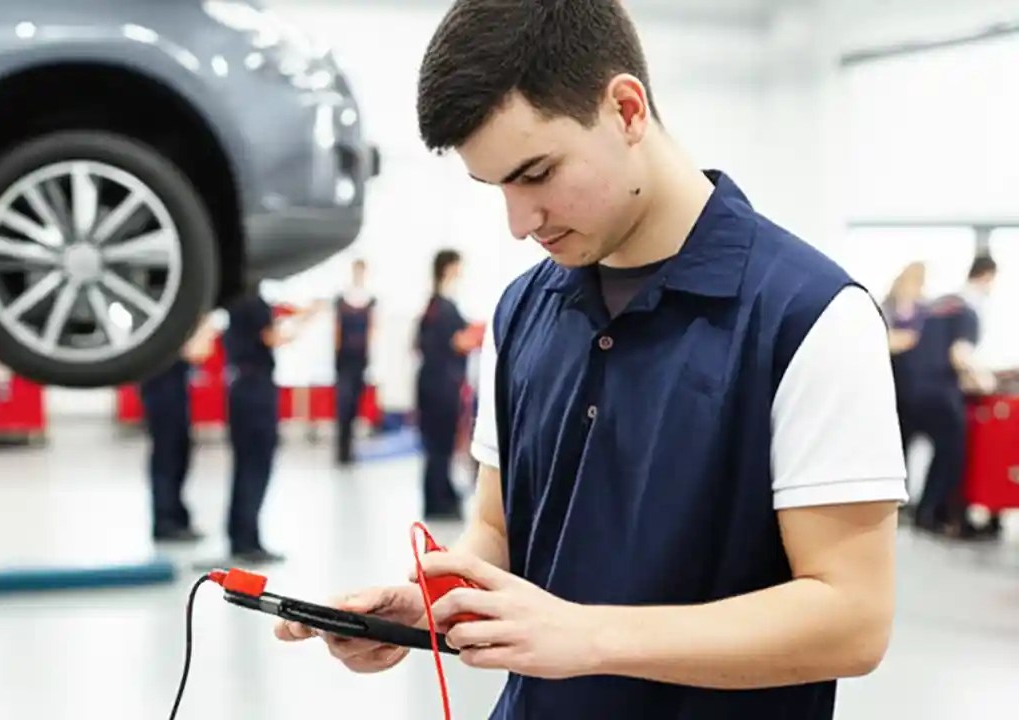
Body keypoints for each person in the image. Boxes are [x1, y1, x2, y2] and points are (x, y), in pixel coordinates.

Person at [276, 3, 906, 719]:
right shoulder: (522, 311)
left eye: (538, 173)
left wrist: (589, 637)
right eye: (499, 190)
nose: (520, 222)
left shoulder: (811, 317)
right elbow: (501, 532)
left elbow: (851, 620)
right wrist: (432, 603)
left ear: (627, 109)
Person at [899, 255, 998, 538]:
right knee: (952, 454)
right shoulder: (967, 311)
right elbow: (959, 355)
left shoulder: (938, 305)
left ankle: (914, 510)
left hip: (909, 390)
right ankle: (930, 513)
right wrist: (985, 380)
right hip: (940, 392)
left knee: (913, 450)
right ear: (987, 276)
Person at [220, 287, 320, 564]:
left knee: (244, 468)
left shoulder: (236, 300)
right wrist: (305, 320)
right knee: (256, 466)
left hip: (239, 389)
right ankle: (247, 541)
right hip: (256, 390)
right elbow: (273, 337)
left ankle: (241, 537)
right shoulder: (253, 302)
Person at [139, 317, 217, 543]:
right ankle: (166, 522)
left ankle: (175, 517)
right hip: (164, 395)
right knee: (168, 457)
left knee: (177, 455)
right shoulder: (165, 328)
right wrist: (206, 324)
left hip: (168, 393)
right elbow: (197, 352)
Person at [416, 250, 480, 520]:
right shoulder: (443, 308)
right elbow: (458, 342)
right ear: (449, 269)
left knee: (439, 446)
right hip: (440, 386)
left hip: (434, 383)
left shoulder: (434, 306)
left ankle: (442, 495)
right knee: (440, 446)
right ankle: (438, 501)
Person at [881, 262, 928, 454]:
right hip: (893, 375)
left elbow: (912, 340)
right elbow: (886, 340)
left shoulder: (924, 309)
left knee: (908, 434)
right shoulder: (887, 305)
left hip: (913, 378)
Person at [334, 259, 376, 465]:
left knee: (353, 404)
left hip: (360, 358)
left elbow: (371, 329)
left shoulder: (369, 300)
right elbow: (337, 331)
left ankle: (349, 448)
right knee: (344, 402)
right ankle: (341, 448)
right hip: (345, 358)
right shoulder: (342, 299)